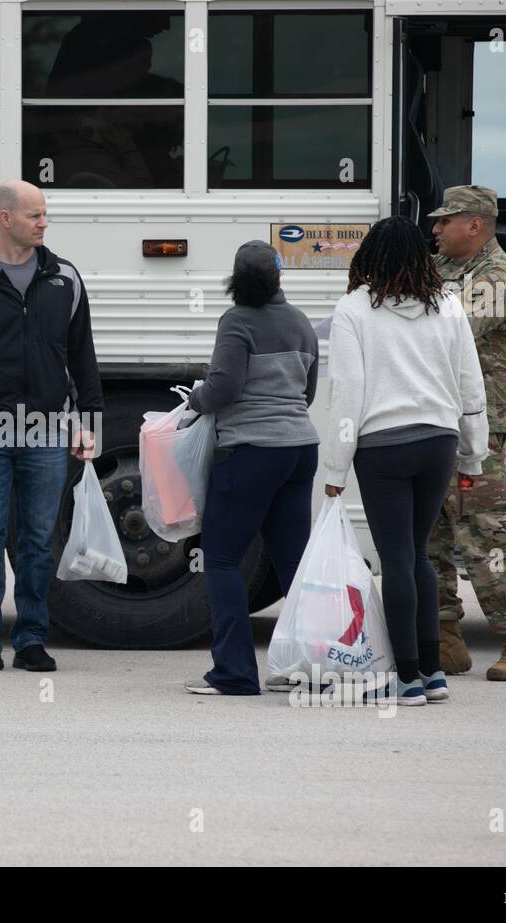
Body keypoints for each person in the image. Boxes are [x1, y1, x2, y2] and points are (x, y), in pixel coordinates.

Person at [0, 180, 102, 674]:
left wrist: (87, 421)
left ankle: (31, 640)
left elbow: (83, 354)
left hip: (47, 430)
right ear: (5, 218)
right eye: (34, 215)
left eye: (45, 214)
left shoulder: (64, 277)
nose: (44, 222)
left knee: (35, 539)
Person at [323, 215, 488, 705]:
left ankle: (408, 677)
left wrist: (334, 468)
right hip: (438, 443)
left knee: (395, 559)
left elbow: (347, 395)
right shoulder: (449, 306)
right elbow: (470, 385)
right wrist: (472, 455)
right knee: (418, 556)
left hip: (382, 448)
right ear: (421, 256)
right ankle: (433, 673)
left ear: (369, 256)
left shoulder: (353, 309)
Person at [180, 241, 320, 696]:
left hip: (251, 451)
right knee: (293, 563)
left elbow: (223, 388)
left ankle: (235, 673)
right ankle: (309, 667)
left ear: (235, 280)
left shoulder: (236, 321)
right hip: (300, 448)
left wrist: (194, 401)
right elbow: (308, 391)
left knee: (221, 559)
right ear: (279, 279)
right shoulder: (301, 322)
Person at [428, 185, 506, 681]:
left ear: (474, 224)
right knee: (431, 533)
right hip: (437, 418)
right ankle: (444, 639)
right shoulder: (443, 271)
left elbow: (443, 331)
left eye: (444, 221)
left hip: (489, 428)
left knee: (487, 535)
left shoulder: (499, 278)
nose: (434, 230)